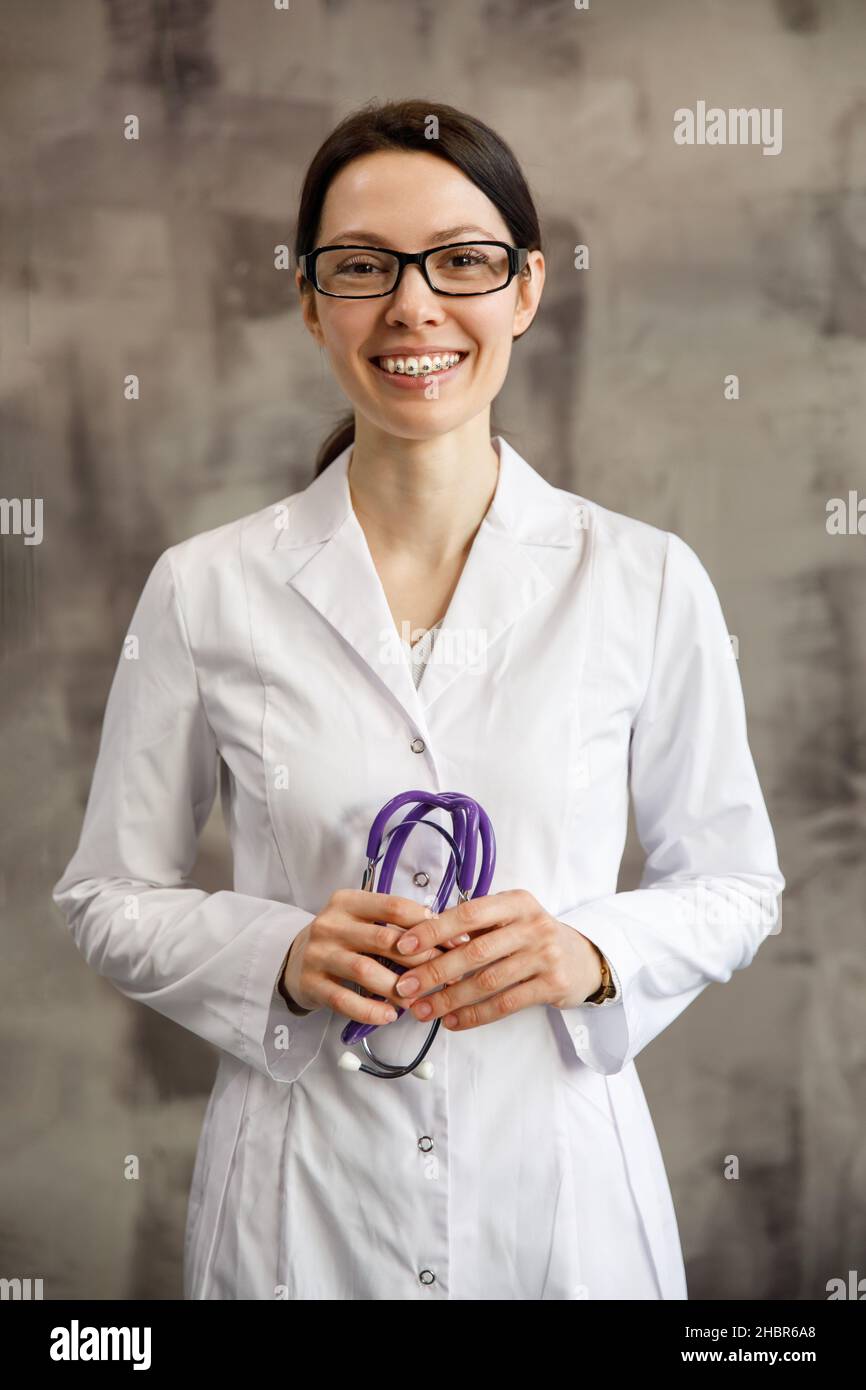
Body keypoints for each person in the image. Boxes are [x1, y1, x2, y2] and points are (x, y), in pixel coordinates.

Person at [52, 98, 785, 1301]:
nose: (413, 304)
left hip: (560, 1202)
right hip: (300, 1210)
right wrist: (277, 951)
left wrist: (586, 950)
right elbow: (104, 895)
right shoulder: (204, 589)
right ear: (308, 300)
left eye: (461, 260)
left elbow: (736, 884)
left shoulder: (644, 579)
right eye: (361, 267)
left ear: (525, 289)